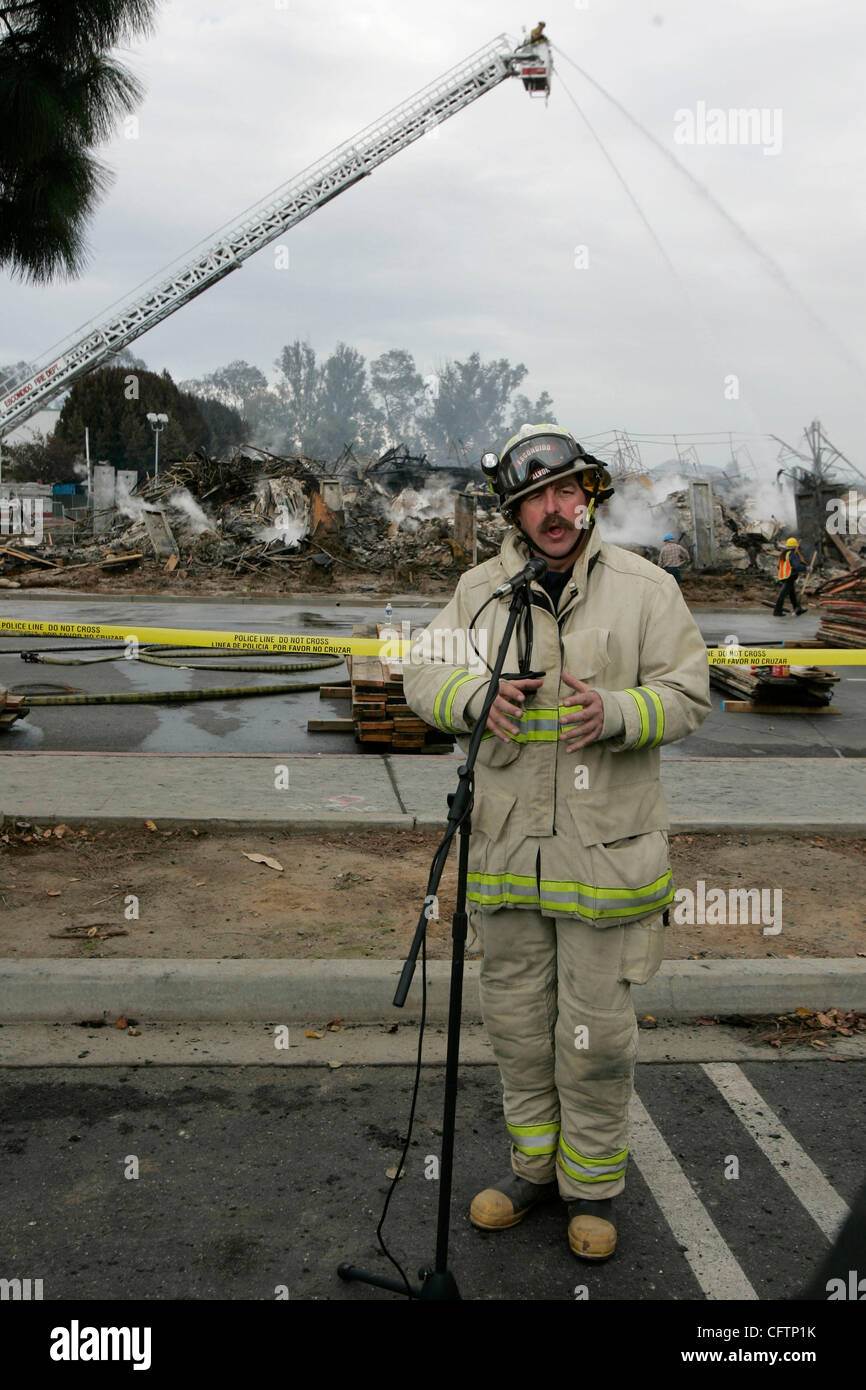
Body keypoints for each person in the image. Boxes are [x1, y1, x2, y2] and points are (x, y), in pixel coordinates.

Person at [402, 423, 711, 1263]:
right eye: (537, 496)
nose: (555, 509)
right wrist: (472, 697)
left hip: (605, 861)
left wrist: (616, 714)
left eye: (568, 491)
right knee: (515, 1023)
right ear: (514, 510)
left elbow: (689, 692)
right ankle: (533, 1171)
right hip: (505, 855)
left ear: (591, 495)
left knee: (598, 1034)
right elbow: (419, 669)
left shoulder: (646, 590)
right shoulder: (480, 591)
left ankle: (593, 1189)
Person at [773, 537, 807, 616]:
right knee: (783, 594)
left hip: (784, 577)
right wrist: (806, 568)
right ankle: (777, 611)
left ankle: (797, 608)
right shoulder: (792, 555)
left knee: (792, 594)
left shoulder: (784, 554)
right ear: (795, 547)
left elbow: (779, 566)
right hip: (789, 577)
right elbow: (796, 566)